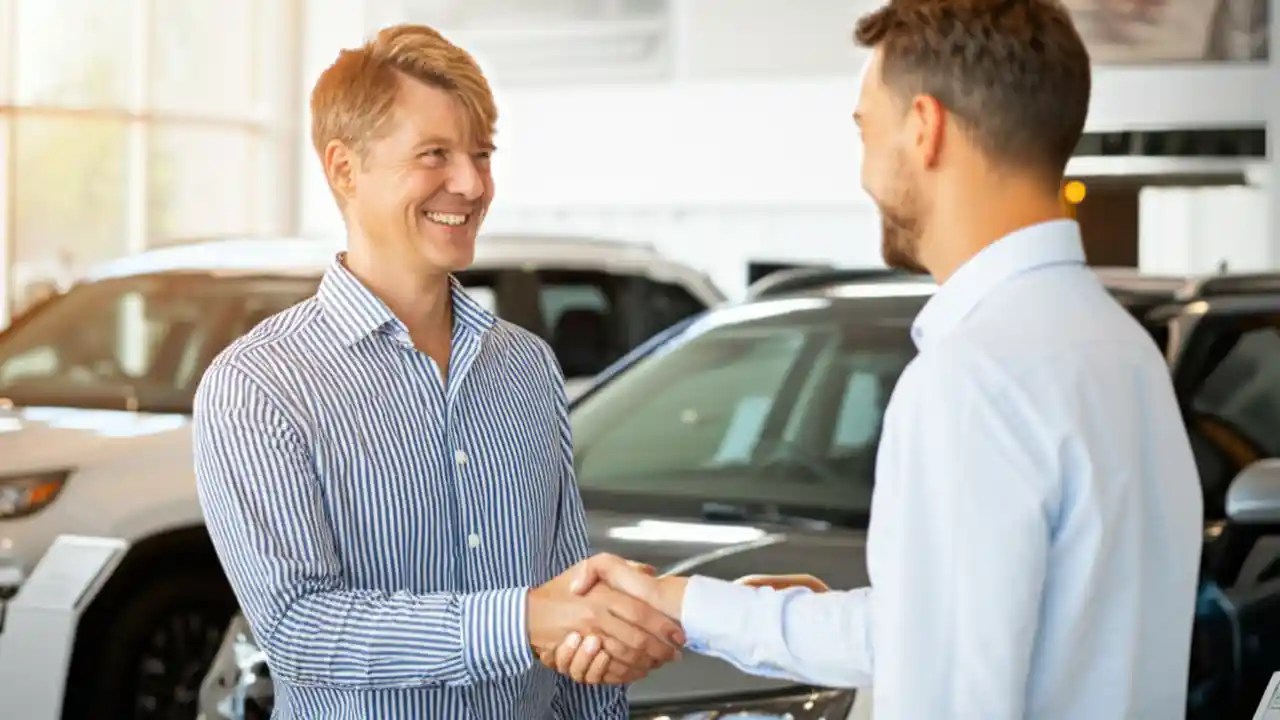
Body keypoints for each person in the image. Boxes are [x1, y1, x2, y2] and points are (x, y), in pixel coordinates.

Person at [542, 1, 1205, 718]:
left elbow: (947, 695)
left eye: (865, 129)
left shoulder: (972, 378)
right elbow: (932, 634)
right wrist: (684, 602)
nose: (861, 172)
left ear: (924, 127)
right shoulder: (1125, 351)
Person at [193, 24, 683, 720]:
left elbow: (567, 600)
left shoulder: (526, 366)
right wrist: (519, 623)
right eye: (435, 155)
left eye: (482, 155)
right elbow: (300, 630)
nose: (473, 183)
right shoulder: (259, 386)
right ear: (344, 169)